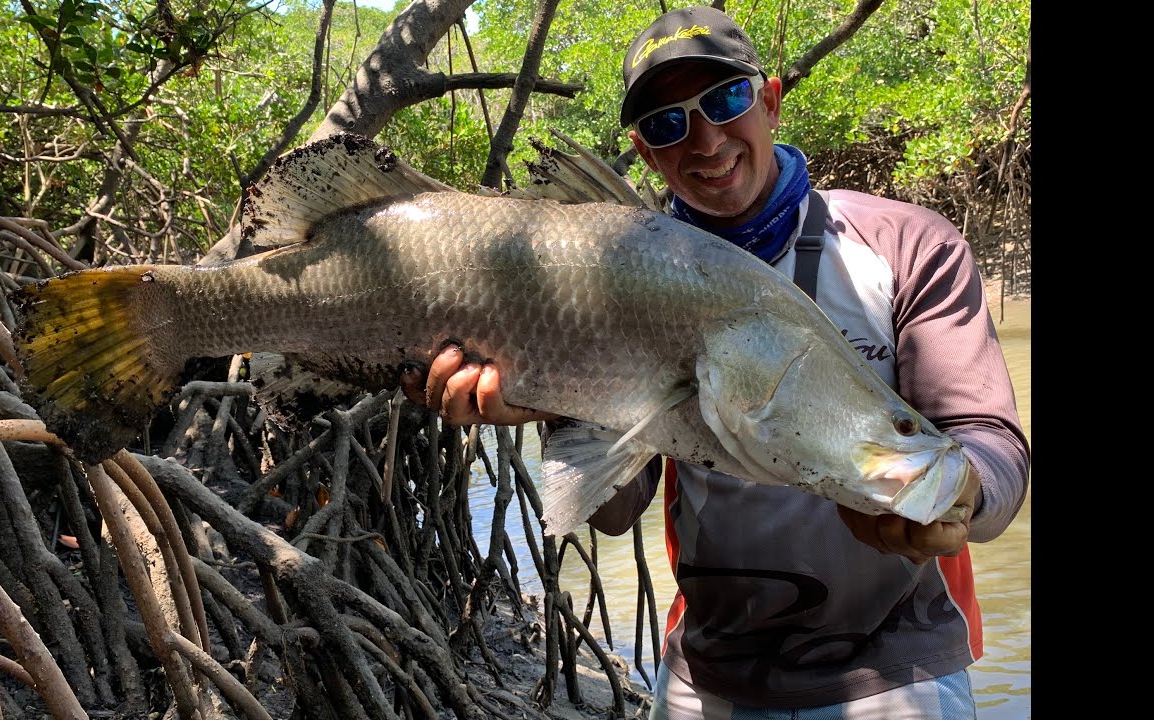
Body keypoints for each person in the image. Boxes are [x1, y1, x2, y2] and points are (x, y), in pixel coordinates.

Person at [400, 5, 1030, 719]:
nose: (704, 139)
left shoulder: (908, 244)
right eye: (668, 124)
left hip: (898, 669)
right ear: (644, 152)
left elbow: (988, 440)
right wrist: (551, 395)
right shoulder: (601, 270)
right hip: (708, 673)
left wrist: (966, 492)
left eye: (726, 99)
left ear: (769, 100)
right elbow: (611, 514)